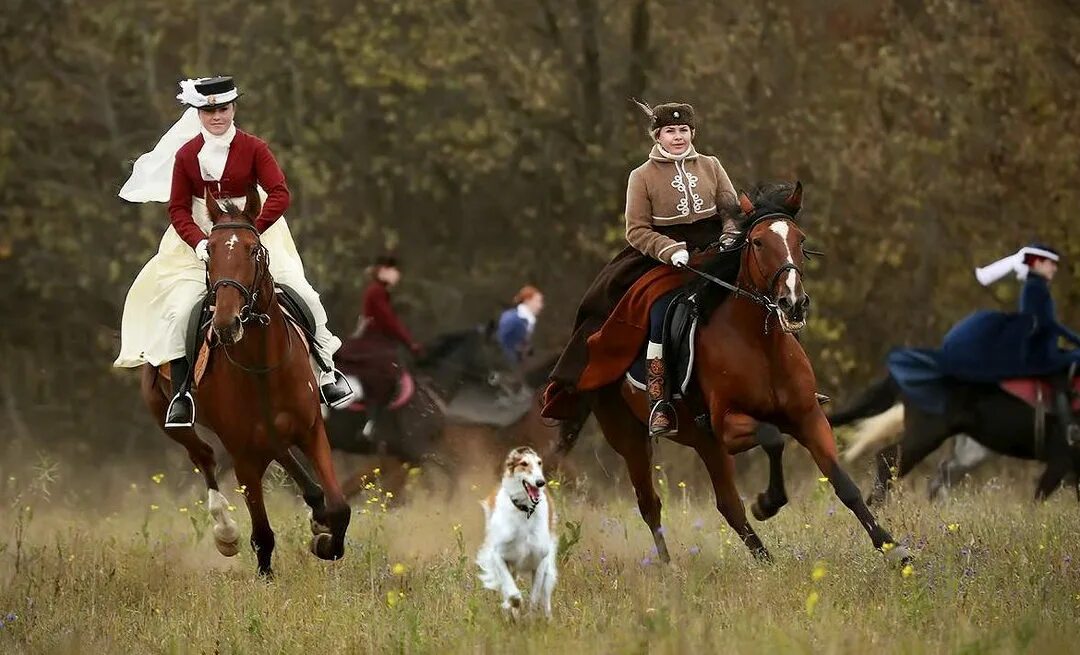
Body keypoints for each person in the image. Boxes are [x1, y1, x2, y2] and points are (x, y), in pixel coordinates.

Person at [114, 76, 353, 428]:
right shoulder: (185, 155)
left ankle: (327, 374)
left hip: (256, 236)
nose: (216, 117)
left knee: (305, 295)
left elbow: (280, 193)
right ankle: (182, 395)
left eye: (222, 109)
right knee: (180, 311)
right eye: (208, 111)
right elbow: (178, 208)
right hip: (198, 242)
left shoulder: (255, 148)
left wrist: (251, 231)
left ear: (233, 108)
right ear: (198, 113)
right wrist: (198, 242)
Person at [543, 99, 740, 438]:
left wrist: (730, 236)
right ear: (657, 136)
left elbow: (731, 210)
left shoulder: (712, 165)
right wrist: (669, 250)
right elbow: (636, 230)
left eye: (683, 130)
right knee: (660, 314)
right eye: (670, 131)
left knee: (766, 292)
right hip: (668, 257)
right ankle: (660, 399)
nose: (677, 137)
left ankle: (788, 384)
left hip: (716, 251)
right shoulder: (641, 176)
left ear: (692, 132)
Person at [962, 243, 1080, 442]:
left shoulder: (1037, 287)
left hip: (1043, 349)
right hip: (1039, 354)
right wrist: (1076, 339)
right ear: (1037, 263)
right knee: (1063, 375)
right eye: (1051, 263)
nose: (1055, 268)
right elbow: (1046, 323)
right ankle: (1070, 428)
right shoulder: (1035, 288)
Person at [336, 255, 421, 416]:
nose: (397, 275)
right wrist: (410, 343)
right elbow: (390, 322)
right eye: (393, 270)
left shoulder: (379, 291)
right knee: (381, 373)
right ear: (382, 271)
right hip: (372, 342)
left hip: (376, 341)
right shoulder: (376, 292)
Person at [496, 286, 544, 366]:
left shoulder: (530, 321)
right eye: (537, 301)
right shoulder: (511, 318)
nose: (540, 306)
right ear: (528, 300)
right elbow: (502, 343)